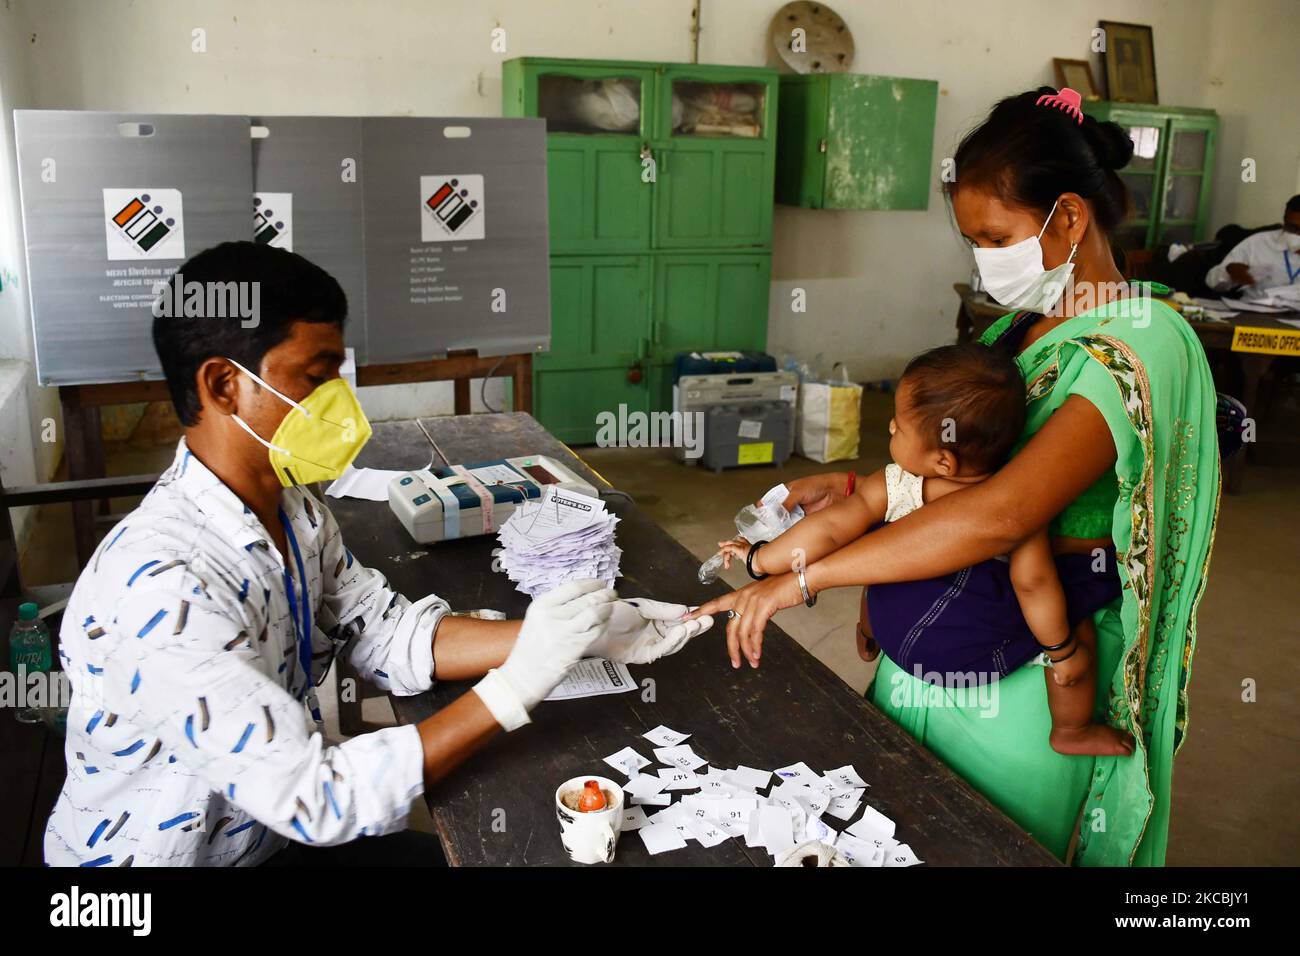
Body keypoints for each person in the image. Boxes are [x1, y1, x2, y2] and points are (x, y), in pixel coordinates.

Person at [45, 241, 712, 867]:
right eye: (315, 376)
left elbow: (385, 633)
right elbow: (320, 798)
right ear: (224, 385)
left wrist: (578, 637)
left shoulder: (295, 507)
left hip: (262, 839)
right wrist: (512, 690)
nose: (341, 402)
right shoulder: (164, 586)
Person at [691, 87, 1220, 865]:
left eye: (994, 236)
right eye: (971, 240)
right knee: (881, 822)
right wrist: (850, 486)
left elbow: (1000, 514)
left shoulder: (1142, 340)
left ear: (1068, 219)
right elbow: (954, 463)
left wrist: (806, 578)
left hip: (1024, 665)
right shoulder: (1016, 328)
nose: (982, 259)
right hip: (925, 627)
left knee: (974, 841)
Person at [715, 343, 1134, 757]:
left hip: (897, 632)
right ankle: (1071, 729)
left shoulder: (898, 484)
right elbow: (1033, 584)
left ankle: (870, 630)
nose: (890, 430)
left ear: (944, 462)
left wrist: (760, 558)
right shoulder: (1020, 512)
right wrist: (1062, 653)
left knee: (880, 539)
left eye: (898, 426)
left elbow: (828, 529)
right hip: (965, 655)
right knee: (1076, 619)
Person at [1205, 194, 1300, 292]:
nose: (1297, 234)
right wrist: (1229, 272)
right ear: (1285, 218)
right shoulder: (1258, 242)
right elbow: (1212, 282)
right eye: (1293, 228)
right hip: (1255, 305)